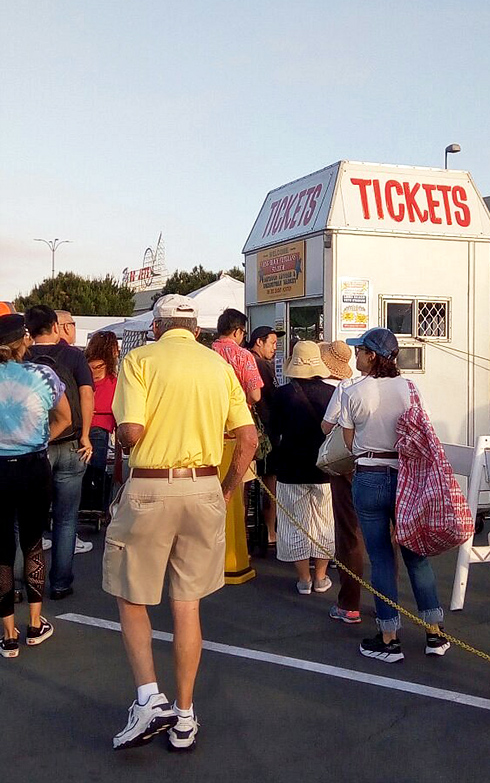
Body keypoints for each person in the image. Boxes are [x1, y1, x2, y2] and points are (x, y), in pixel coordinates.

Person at [104, 294, 257, 751]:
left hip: (152, 484)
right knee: (187, 603)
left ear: (156, 327)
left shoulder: (140, 360)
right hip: (205, 487)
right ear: (195, 330)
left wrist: (124, 434)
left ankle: (150, 697)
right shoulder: (219, 366)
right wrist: (227, 488)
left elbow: (130, 432)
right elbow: (248, 438)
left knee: (131, 593)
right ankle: (186, 715)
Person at [340, 327, 449, 662]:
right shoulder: (409, 388)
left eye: (360, 350)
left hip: (370, 475)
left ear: (372, 355)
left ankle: (389, 638)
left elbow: (348, 441)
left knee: (382, 558)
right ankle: (434, 633)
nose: (356, 355)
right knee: (416, 555)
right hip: (406, 476)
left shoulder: (354, 393)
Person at [0, 313, 71, 657]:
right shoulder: (44, 375)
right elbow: (65, 418)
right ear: (23, 340)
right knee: (32, 543)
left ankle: (8, 633)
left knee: (0, 550)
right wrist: (41, 439)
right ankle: (34, 623)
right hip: (33, 465)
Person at [24, 305, 94, 598]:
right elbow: (87, 394)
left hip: (31, 446)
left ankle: (19, 582)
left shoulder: (21, 359)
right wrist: (86, 436)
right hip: (69, 443)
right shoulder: (74, 356)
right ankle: (61, 583)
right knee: (66, 518)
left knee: (23, 519)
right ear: (56, 326)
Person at [270, 341, 335, 594]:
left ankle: (303, 579)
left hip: (290, 466)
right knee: (324, 523)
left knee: (293, 523)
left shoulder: (283, 394)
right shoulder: (331, 393)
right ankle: (321, 577)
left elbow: (273, 431)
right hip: (324, 467)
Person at [320, 341, 365, 624]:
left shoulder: (346, 389)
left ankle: (349, 604)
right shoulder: (405, 388)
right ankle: (389, 608)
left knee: (350, 534)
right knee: (386, 542)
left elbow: (326, 426)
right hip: (389, 467)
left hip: (351, 465)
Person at [248, 325, 285, 545]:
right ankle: (271, 531)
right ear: (258, 342)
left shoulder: (251, 361)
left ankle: (266, 529)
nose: (275, 348)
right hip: (265, 431)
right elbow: (271, 398)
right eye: (272, 343)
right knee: (270, 483)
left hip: (255, 429)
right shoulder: (260, 364)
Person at [83, 331, 120, 509]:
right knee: (96, 470)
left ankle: (82, 505)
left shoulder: (84, 366)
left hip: (83, 423)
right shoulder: (103, 370)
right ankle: (94, 507)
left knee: (81, 469)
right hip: (100, 424)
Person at [212, 309, 263, 407]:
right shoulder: (243, 355)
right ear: (237, 331)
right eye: (244, 332)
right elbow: (255, 395)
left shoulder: (208, 351)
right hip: (237, 414)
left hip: (212, 411)